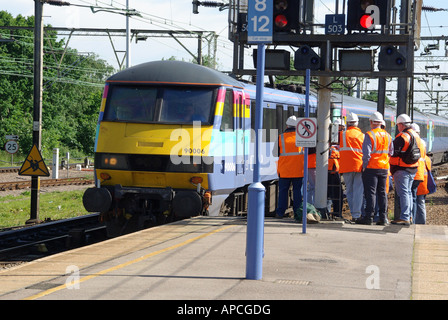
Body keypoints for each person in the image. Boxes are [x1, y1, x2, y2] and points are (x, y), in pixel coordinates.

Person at [356, 111, 393, 225]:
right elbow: (391, 152)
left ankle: (369, 217)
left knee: (370, 193)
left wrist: (365, 166)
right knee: (382, 193)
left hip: (371, 167)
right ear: (381, 122)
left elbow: (366, 154)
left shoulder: (369, 134)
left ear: (371, 122)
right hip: (384, 168)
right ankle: (383, 217)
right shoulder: (388, 135)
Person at [390, 114, 421, 226]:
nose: (398, 127)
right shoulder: (415, 135)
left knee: (403, 193)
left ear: (401, 125)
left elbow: (393, 152)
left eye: (398, 125)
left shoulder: (402, 137)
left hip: (402, 168)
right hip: (413, 168)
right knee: (407, 193)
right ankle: (409, 216)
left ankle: (404, 217)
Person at [273, 116, 305, 218]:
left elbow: (275, 153)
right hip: (298, 170)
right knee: (297, 192)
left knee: (283, 192)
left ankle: (280, 212)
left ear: (287, 125)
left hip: (284, 170)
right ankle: (297, 212)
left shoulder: (280, 137)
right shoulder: (302, 138)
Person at [339, 111, 364, 221]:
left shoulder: (342, 134)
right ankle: (357, 215)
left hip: (346, 166)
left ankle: (354, 213)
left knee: (349, 190)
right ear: (357, 123)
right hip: (359, 165)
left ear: (347, 123)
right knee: (359, 190)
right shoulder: (362, 135)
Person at [410, 123, 427, 224]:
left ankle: (412, 220)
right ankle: (421, 223)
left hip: (414, 172)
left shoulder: (413, 141)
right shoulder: (423, 142)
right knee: (420, 200)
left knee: (413, 198)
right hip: (422, 174)